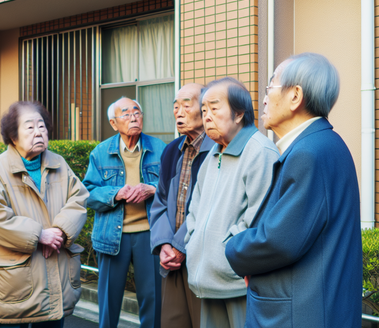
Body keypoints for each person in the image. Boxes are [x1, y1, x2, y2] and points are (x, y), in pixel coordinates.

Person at [225, 53, 362, 328]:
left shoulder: (308, 153)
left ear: (295, 96)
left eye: (270, 88)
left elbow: (278, 241)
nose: (263, 99)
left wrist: (232, 247)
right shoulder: (323, 144)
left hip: (298, 314)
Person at [0, 101, 89, 327]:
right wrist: (39, 234)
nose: (39, 132)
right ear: (13, 135)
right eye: (30, 127)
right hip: (16, 281)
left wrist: (59, 231)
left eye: (42, 126)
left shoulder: (59, 163)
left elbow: (78, 199)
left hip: (55, 277)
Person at [182, 77, 279, 328]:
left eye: (214, 108)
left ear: (239, 114)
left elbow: (260, 218)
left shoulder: (260, 152)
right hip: (208, 281)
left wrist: (227, 250)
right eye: (203, 110)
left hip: (237, 281)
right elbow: (194, 210)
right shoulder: (212, 153)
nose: (206, 116)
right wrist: (193, 240)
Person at [83, 97, 165, 328]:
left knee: (152, 300)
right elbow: (88, 192)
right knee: (109, 302)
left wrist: (152, 189)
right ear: (113, 122)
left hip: (150, 234)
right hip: (111, 236)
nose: (133, 117)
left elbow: (175, 189)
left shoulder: (161, 149)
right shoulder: (100, 153)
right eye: (126, 114)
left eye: (137, 112)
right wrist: (115, 194)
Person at [149, 83, 215, 328]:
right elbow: (160, 201)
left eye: (186, 105)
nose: (178, 111)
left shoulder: (216, 150)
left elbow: (209, 205)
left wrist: (179, 245)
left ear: (205, 109)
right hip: (173, 262)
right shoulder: (171, 151)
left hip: (202, 259)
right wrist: (164, 244)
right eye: (175, 106)